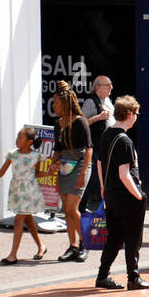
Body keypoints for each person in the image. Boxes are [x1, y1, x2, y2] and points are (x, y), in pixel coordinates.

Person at [94, 96, 149, 291]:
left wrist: (103, 187)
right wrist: (138, 195)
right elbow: (124, 174)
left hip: (111, 194)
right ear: (129, 114)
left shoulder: (106, 135)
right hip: (127, 196)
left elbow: (100, 163)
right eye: (136, 113)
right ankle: (133, 277)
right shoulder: (125, 141)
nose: (137, 117)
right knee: (133, 238)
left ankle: (103, 275)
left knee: (114, 236)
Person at [0, 126, 47, 263]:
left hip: (30, 192)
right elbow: (1, 172)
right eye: (17, 137)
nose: (17, 140)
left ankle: (13, 255)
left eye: (20, 137)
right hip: (17, 191)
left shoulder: (36, 156)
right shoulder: (13, 154)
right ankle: (41, 246)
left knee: (19, 219)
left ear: (29, 142)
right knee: (28, 219)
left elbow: (36, 174)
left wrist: (49, 172)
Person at [52, 81, 93, 262]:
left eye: (56, 103)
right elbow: (58, 149)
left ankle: (85, 244)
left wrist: (83, 173)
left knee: (72, 208)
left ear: (66, 104)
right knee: (66, 211)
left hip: (80, 163)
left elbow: (89, 149)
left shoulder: (80, 122)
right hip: (64, 165)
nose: (53, 106)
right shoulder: (58, 123)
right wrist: (53, 163)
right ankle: (73, 246)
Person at [81, 75, 114, 212]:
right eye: (108, 85)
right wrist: (98, 118)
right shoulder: (91, 102)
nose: (111, 87)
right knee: (93, 177)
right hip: (95, 146)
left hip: (107, 145)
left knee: (104, 176)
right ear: (98, 87)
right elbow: (82, 123)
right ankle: (83, 206)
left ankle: (102, 205)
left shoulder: (108, 101)